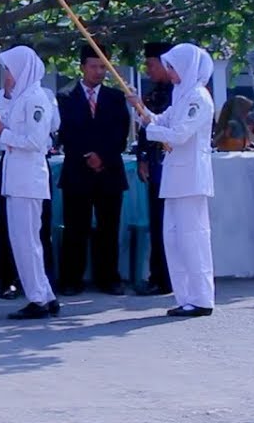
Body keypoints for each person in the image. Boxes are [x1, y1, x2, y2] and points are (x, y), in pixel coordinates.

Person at [131, 44, 216, 317]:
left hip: (191, 178)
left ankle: (201, 299)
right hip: (175, 178)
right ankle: (186, 297)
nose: (169, 72)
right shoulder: (181, 95)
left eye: (172, 67)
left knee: (193, 239)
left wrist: (153, 129)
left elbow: (179, 134)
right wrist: (139, 107)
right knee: (174, 239)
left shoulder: (198, 98)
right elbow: (158, 121)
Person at [0, 47, 60, 320]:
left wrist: (3, 134)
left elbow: (35, 141)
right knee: (23, 240)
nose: (8, 75)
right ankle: (45, 294)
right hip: (17, 178)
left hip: (28, 179)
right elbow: (7, 128)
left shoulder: (36, 99)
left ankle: (37, 298)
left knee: (27, 241)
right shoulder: (22, 98)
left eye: (11, 69)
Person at [57, 45, 131, 296]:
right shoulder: (65, 96)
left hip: (109, 171)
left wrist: (102, 157)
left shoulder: (116, 97)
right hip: (77, 171)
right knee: (75, 227)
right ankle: (71, 279)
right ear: (82, 67)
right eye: (93, 66)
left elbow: (120, 133)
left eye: (103, 67)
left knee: (108, 227)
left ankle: (109, 278)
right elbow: (65, 132)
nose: (99, 71)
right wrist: (87, 155)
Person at [136, 41, 175, 296]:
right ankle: (158, 276)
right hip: (156, 167)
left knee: (173, 226)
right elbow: (144, 130)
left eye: (151, 64)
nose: (148, 70)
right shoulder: (152, 94)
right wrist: (142, 157)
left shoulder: (182, 94)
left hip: (174, 167)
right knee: (158, 223)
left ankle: (170, 278)